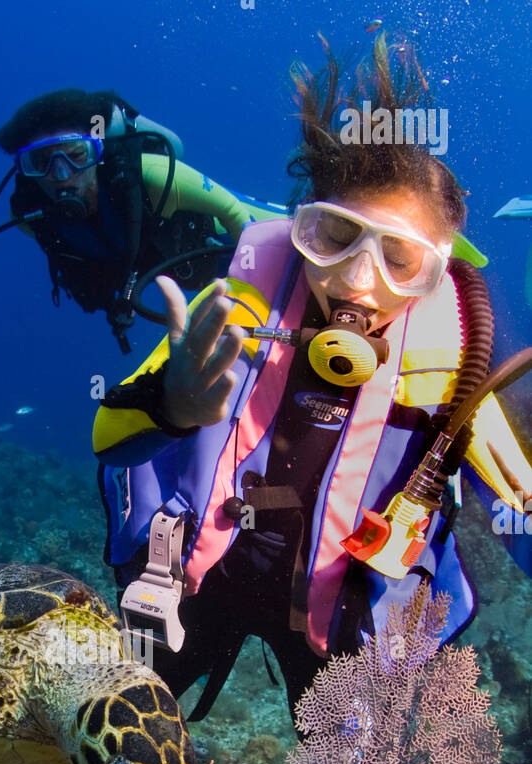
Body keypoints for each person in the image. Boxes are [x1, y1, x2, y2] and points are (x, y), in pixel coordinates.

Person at [93, 39, 532, 722]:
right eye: (333, 238)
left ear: (439, 270)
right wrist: (171, 405)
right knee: (110, 730)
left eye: (400, 260)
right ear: (301, 229)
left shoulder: (458, 370)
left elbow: (521, 519)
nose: (358, 281)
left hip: (342, 623)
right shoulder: (241, 311)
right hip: (192, 587)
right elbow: (109, 437)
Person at [0, 88, 285, 352]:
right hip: (196, 271)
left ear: (97, 152)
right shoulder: (30, 220)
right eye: (41, 164)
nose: (62, 176)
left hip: (249, 237)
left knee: (316, 232)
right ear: (26, 171)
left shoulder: (150, 174)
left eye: (77, 155)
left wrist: (253, 301)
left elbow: (234, 212)